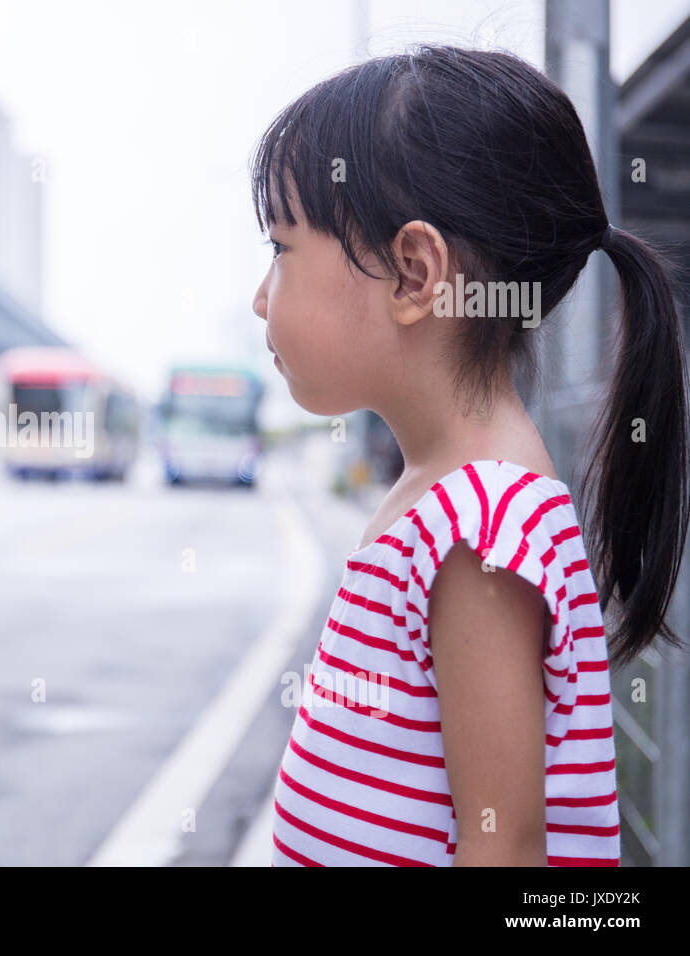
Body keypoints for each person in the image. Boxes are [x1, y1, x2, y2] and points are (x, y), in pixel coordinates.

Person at [251, 45, 689, 866]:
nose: (260, 295)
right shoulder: (442, 498)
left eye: (281, 247)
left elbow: (507, 851)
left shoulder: (480, 532)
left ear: (414, 274)